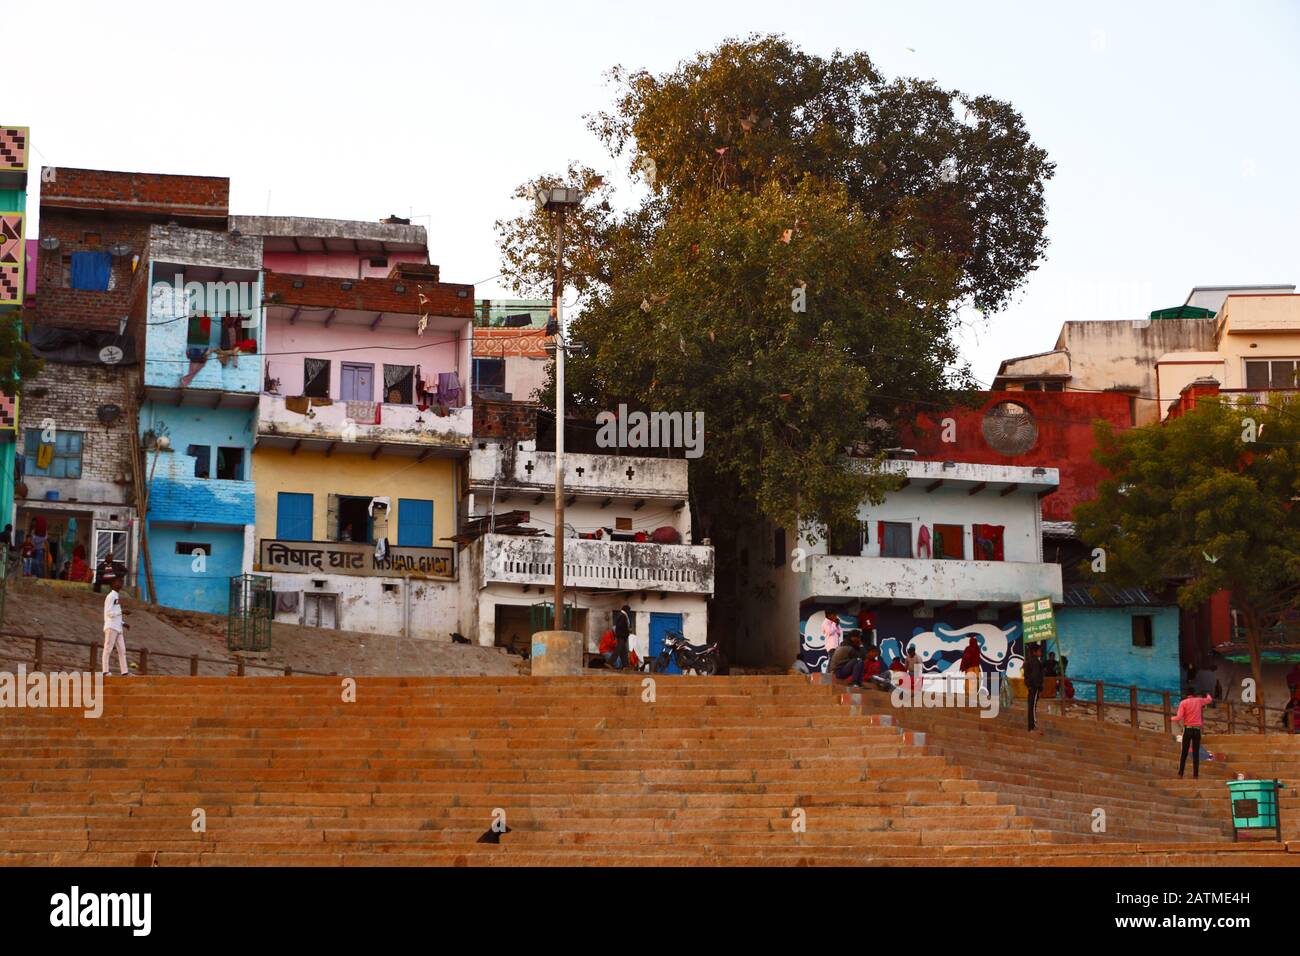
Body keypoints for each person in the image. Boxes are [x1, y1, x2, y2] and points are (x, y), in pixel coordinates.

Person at [1174, 689, 1214, 779]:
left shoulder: (1183, 703)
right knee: (1196, 753)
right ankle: (1195, 775)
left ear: (1187, 694)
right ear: (1194, 694)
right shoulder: (1199, 700)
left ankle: (1180, 773)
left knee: (1184, 752)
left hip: (1187, 730)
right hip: (1197, 730)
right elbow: (1209, 700)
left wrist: (1171, 718)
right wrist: (1207, 693)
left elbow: (1179, 717)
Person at [102, 578, 129, 677]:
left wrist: (123, 623)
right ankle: (105, 671)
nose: (121, 583)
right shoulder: (111, 596)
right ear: (112, 584)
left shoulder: (116, 596)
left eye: (121, 582)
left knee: (122, 650)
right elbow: (109, 613)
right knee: (108, 648)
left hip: (118, 627)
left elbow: (115, 612)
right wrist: (122, 612)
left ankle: (124, 672)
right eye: (118, 581)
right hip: (111, 626)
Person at [1024, 643, 1044, 734]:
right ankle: (1032, 727)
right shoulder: (1035, 662)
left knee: (1031, 706)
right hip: (1034, 687)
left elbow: (1027, 676)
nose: (1041, 652)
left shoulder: (1028, 661)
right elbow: (1035, 676)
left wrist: (1028, 685)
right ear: (1034, 652)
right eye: (1039, 651)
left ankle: (1031, 726)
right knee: (1032, 707)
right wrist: (1038, 687)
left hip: (1031, 687)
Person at [960, 637, 982, 701]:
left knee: (969, 682)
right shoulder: (977, 649)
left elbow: (966, 658)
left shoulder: (968, 649)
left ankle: (969, 696)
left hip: (970, 669)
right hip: (977, 669)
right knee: (976, 681)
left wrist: (964, 666)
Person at [612, 604, 632, 671]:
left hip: (622, 636)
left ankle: (626, 666)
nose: (629, 612)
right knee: (618, 650)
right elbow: (621, 627)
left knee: (624, 651)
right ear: (626, 610)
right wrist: (627, 631)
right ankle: (610, 662)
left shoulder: (622, 615)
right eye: (629, 610)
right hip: (621, 636)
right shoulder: (622, 616)